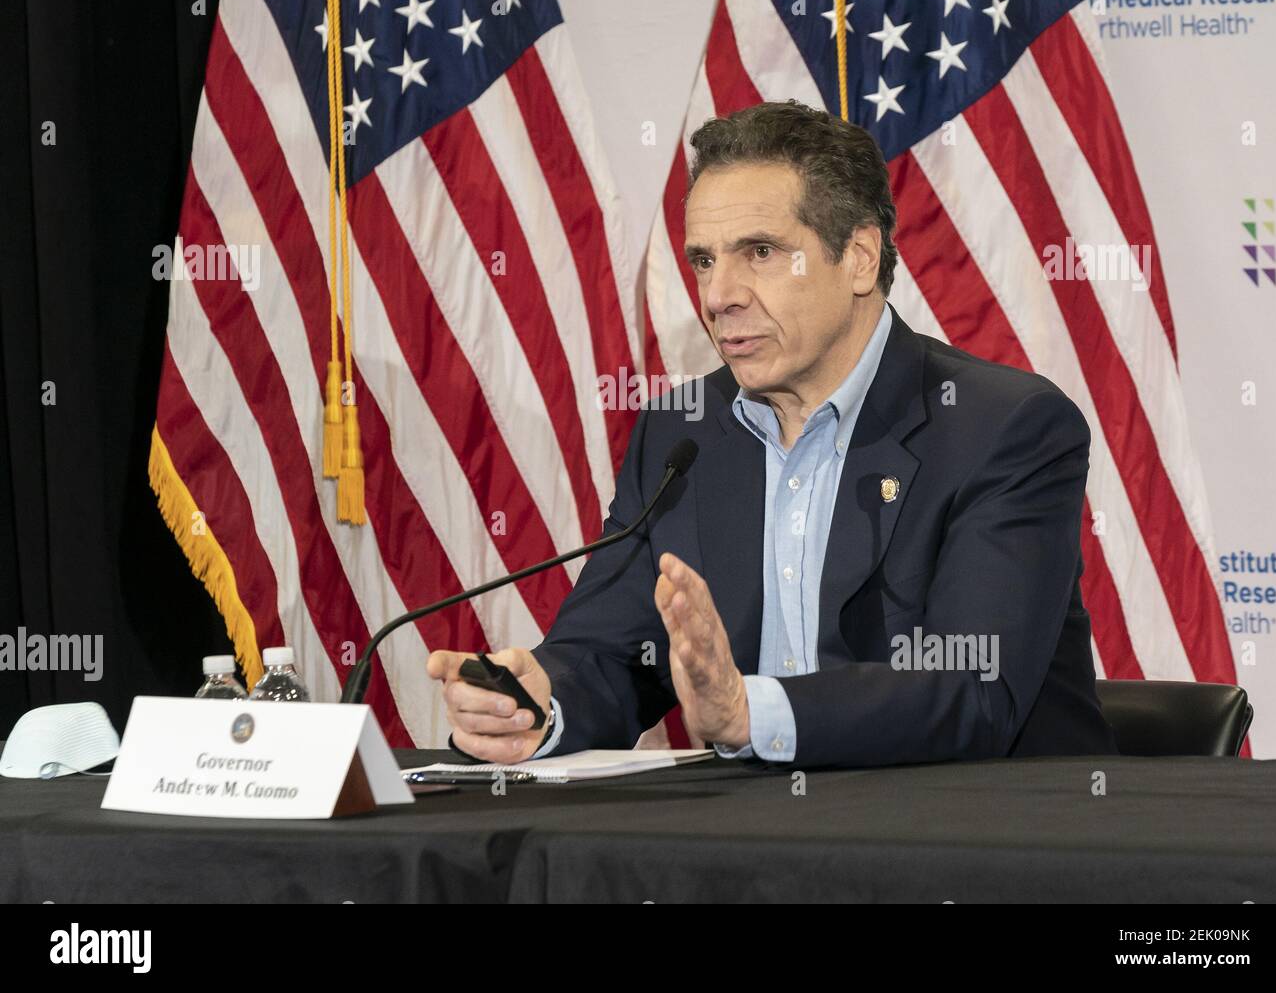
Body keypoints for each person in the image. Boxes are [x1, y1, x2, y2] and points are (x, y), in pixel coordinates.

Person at [427, 100, 1117, 768]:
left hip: (981, 851)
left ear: (859, 259)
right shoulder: (682, 435)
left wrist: (747, 711)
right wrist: (539, 704)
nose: (718, 293)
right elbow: (610, 654)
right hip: (757, 856)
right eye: (703, 260)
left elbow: (973, 692)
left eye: (759, 251)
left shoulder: (1002, 428)